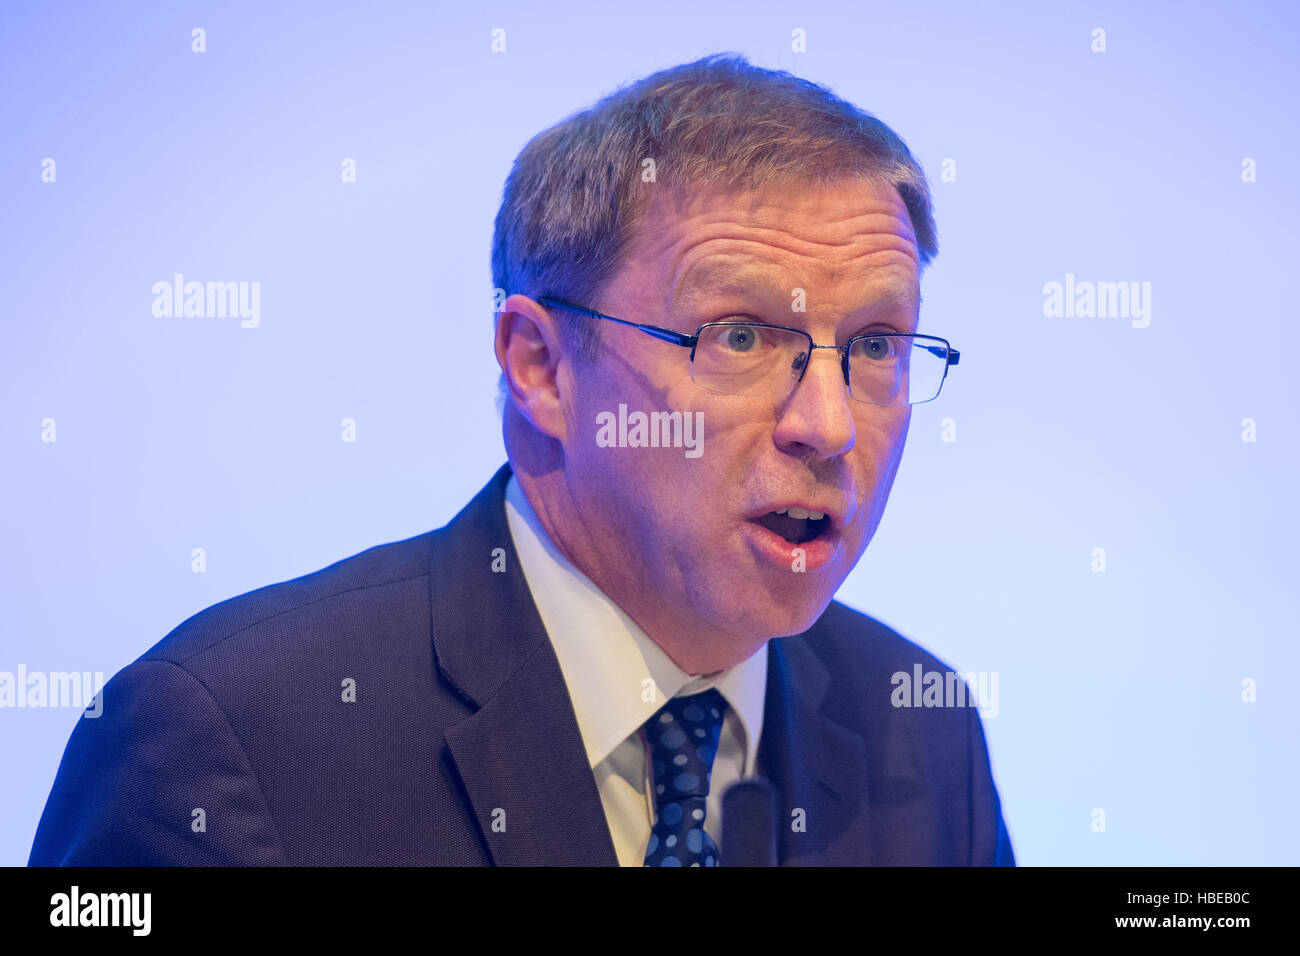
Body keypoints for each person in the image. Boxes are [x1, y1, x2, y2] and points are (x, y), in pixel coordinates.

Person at [29, 53, 1013, 866]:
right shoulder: (230, 742)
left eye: (878, 344)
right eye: (741, 338)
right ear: (539, 366)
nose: (829, 423)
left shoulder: (918, 732)